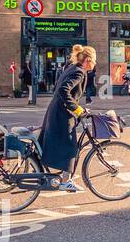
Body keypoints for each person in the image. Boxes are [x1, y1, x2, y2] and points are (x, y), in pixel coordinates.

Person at [38, 44, 97, 192]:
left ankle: (59, 177)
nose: (95, 64)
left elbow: (62, 88)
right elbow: (64, 91)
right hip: (62, 114)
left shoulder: (72, 68)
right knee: (71, 148)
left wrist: (79, 108)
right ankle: (65, 182)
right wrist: (77, 109)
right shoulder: (79, 72)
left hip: (57, 111)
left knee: (57, 144)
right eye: (94, 60)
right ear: (88, 60)